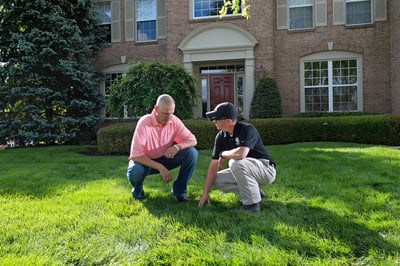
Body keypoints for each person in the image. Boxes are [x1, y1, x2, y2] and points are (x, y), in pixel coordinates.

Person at [198, 102, 276, 212]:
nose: (214, 121)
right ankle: (255, 192)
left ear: (229, 121)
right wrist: (205, 193)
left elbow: (241, 154)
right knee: (214, 180)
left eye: (217, 118)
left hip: (265, 170)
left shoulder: (247, 129)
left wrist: (223, 154)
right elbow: (213, 164)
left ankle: (251, 206)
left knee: (235, 162)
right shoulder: (221, 136)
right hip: (245, 169)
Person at [127, 94, 198, 202]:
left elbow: (193, 140)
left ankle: (179, 191)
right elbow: (136, 156)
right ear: (156, 109)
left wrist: (178, 146)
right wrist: (160, 167)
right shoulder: (144, 122)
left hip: (165, 158)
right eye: (165, 114)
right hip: (144, 162)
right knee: (135, 171)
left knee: (192, 153)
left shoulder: (174, 121)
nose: (169, 117)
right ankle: (138, 192)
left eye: (171, 113)